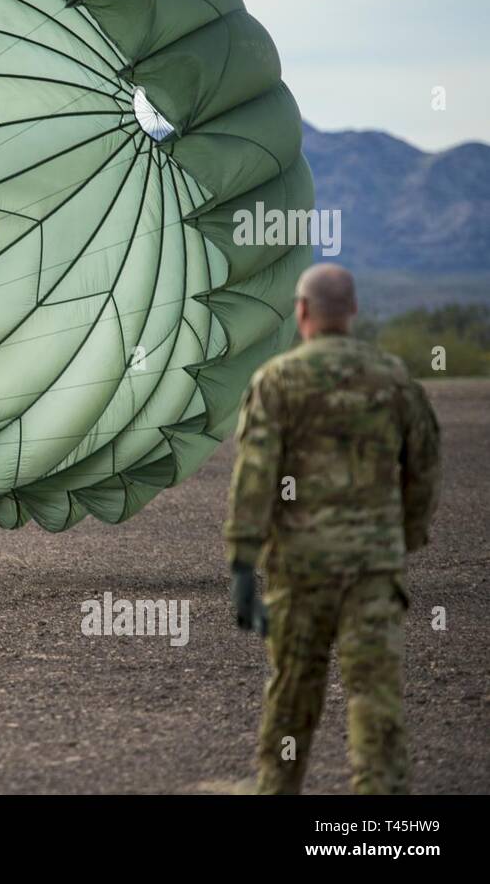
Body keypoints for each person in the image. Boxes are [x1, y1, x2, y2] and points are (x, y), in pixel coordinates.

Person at [223, 263, 440, 794]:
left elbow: (255, 476)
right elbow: (425, 469)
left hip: (302, 570)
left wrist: (243, 564)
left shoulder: (276, 381)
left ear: (300, 312)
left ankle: (277, 788)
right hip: (372, 570)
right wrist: (402, 539)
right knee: (374, 699)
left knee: (293, 696)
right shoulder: (394, 380)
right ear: (355, 312)